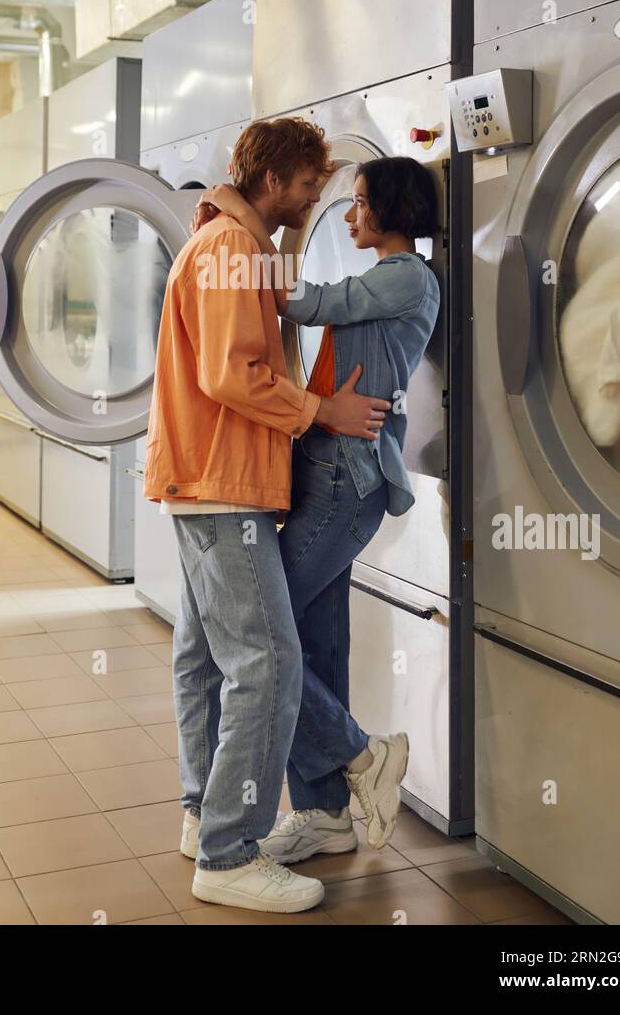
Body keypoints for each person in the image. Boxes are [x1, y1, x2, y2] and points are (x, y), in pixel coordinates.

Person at [143, 117, 392, 913]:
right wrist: (324, 407)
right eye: (312, 184)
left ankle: (200, 814)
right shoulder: (231, 250)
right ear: (276, 180)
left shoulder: (228, 244)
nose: (318, 196)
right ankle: (226, 853)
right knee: (268, 662)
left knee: (203, 653)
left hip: (205, 473)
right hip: (224, 481)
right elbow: (233, 374)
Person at [199, 154, 440, 862]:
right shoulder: (389, 275)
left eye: (361, 203)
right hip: (329, 467)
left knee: (264, 645)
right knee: (312, 640)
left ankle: (366, 757)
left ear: (393, 211)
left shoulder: (407, 276)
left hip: (347, 478)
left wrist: (245, 217)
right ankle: (329, 812)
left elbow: (306, 303)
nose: (350, 213)